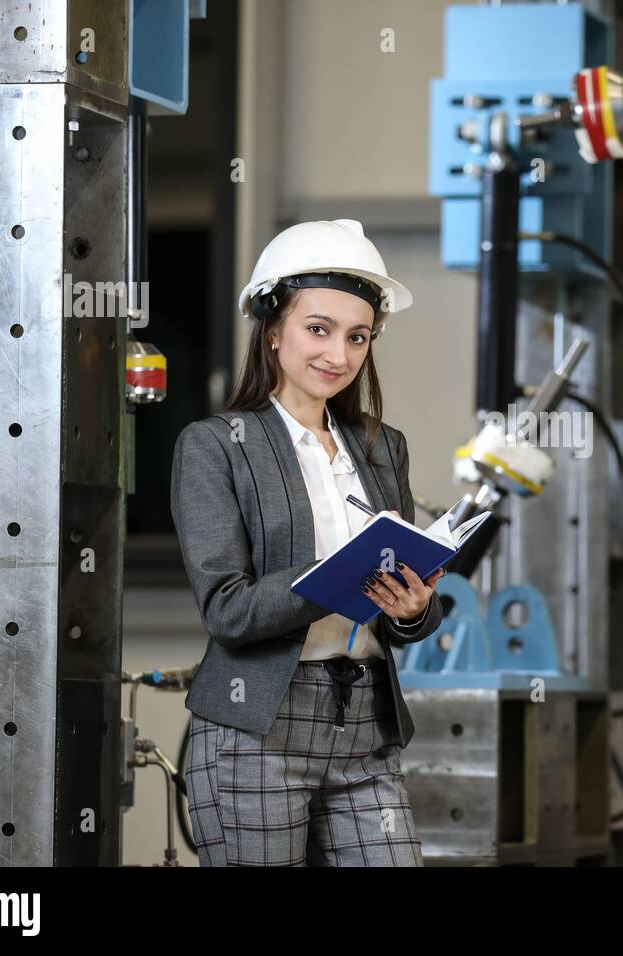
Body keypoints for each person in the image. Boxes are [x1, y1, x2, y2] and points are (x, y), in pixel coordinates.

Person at [171, 219, 444, 866]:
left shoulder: (382, 447)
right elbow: (229, 611)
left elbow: (398, 605)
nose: (339, 355)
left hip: (365, 725)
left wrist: (413, 610)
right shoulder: (216, 446)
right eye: (317, 329)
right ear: (273, 330)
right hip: (256, 728)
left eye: (357, 337)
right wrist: (335, 577)